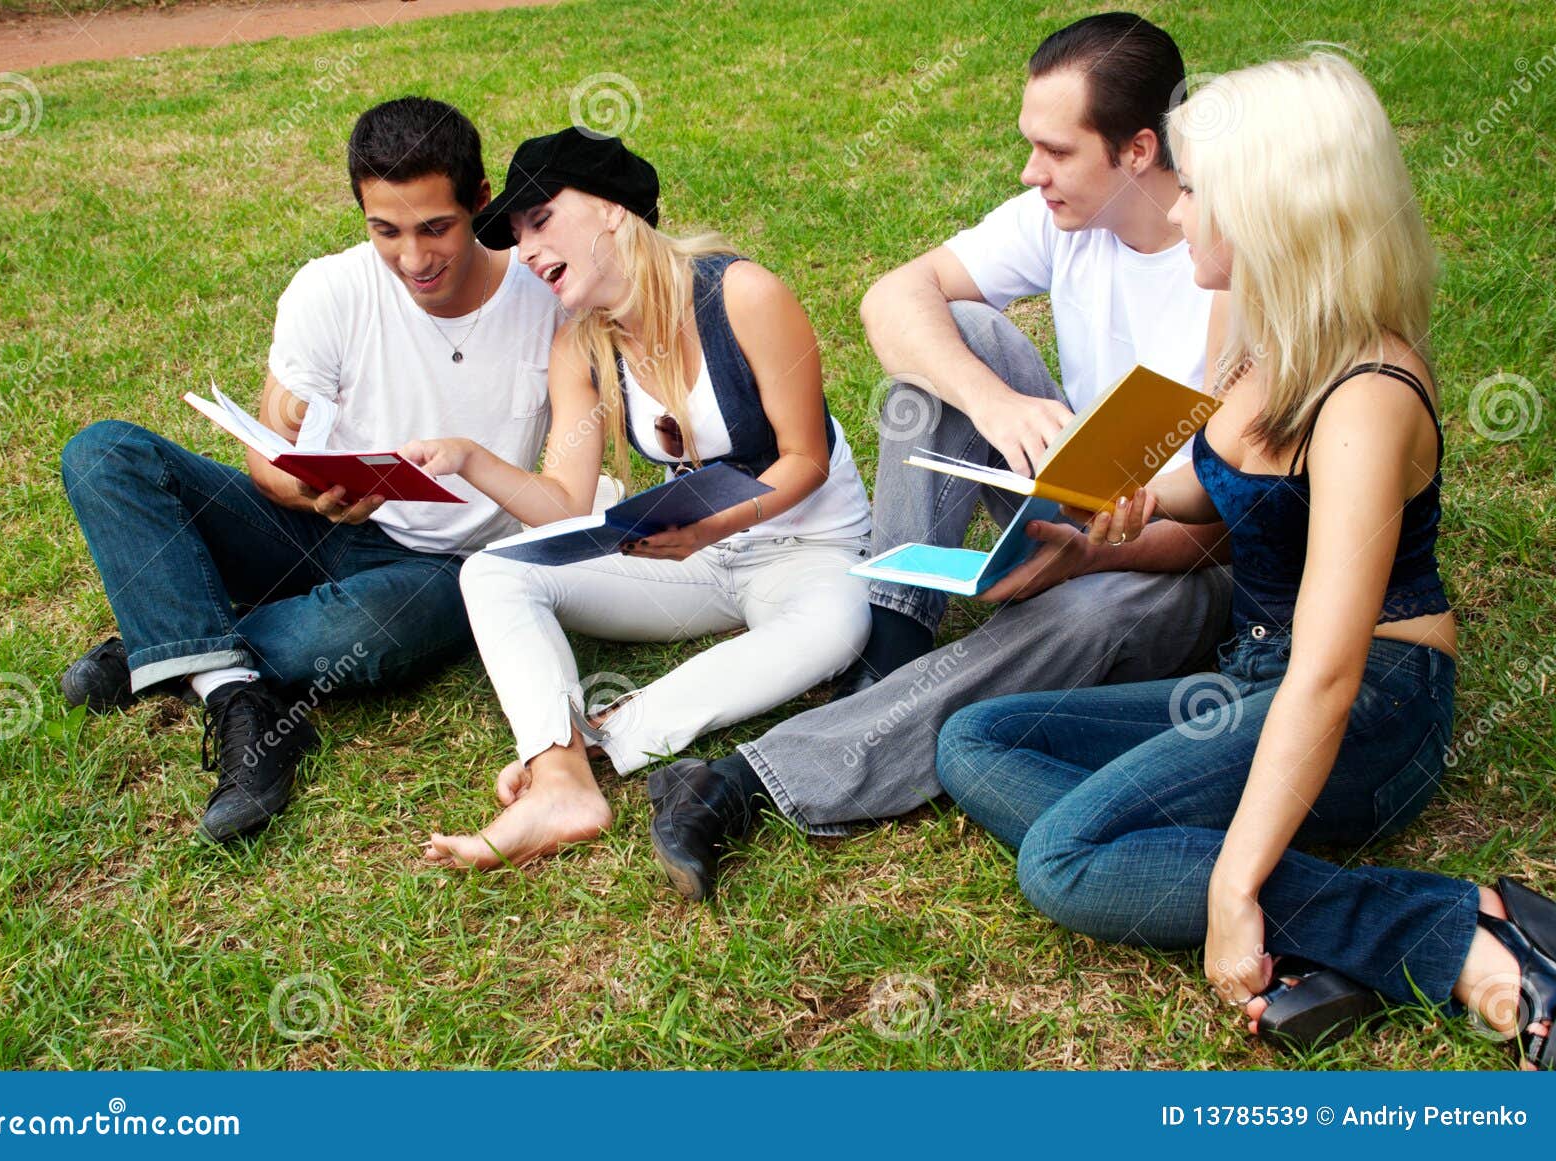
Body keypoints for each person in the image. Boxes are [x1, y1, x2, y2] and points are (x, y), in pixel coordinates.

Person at [937, 54, 1553, 1070]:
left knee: (1062, 861)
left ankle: (1461, 934)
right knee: (976, 740)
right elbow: (1222, 483)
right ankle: (1316, 913)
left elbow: (1327, 671)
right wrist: (1121, 513)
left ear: (1269, 208)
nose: (1175, 214)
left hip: (1370, 707)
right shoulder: (1258, 331)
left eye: (1197, 191)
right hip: (1247, 679)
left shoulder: (1366, 395)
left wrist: (1229, 895)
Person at [647, 12, 1231, 903]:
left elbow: (1226, 527)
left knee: (1086, 616)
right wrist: (994, 400)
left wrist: (1095, 551)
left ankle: (749, 782)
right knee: (951, 339)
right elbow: (892, 299)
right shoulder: (1067, 217)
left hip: (1179, 552)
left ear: (1139, 149)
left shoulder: (1231, 266)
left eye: (1055, 150)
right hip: (1082, 491)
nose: (1030, 172)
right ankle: (895, 637)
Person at [58, 98, 564, 843]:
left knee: (363, 629)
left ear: (480, 201)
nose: (414, 259)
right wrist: (303, 486)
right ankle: (234, 690)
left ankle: (163, 644)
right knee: (104, 454)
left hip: (440, 566)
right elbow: (265, 457)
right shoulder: (330, 289)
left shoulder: (543, 296)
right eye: (385, 230)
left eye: (436, 228)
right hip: (311, 524)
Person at [415, 128, 873, 872]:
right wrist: (470, 460)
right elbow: (564, 503)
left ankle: (598, 741)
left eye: (541, 220)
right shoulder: (580, 346)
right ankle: (560, 782)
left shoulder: (742, 294)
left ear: (613, 211)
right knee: (492, 571)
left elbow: (806, 459)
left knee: (838, 626)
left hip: (809, 551)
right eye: (517, 234)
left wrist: (712, 524)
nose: (526, 249)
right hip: (693, 559)